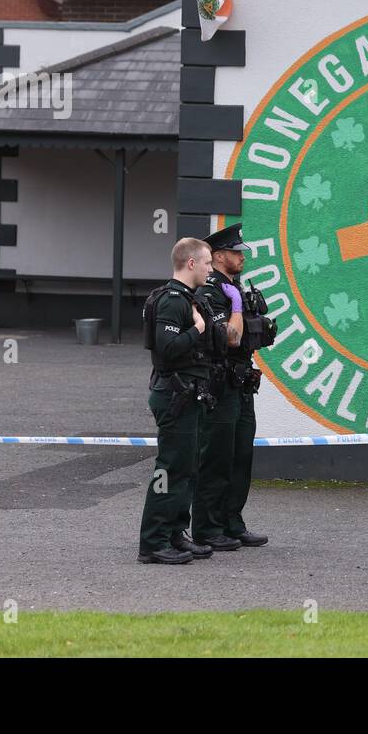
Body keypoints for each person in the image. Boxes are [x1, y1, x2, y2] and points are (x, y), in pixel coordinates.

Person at [137, 237, 222, 564]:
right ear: (191, 264)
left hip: (188, 393)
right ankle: (153, 543)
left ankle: (175, 533)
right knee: (170, 469)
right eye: (207, 263)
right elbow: (167, 347)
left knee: (187, 468)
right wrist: (198, 329)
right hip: (175, 394)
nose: (210, 269)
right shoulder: (174, 300)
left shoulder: (188, 297)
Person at [193, 222, 269, 550]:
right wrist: (236, 305)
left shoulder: (235, 286)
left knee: (241, 455)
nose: (242, 257)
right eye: (236, 252)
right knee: (217, 457)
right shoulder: (212, 291)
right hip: (220, 384)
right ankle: (208, 528)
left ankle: (231, 522)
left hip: (241, 381)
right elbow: (230, 338)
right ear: (220, 255)